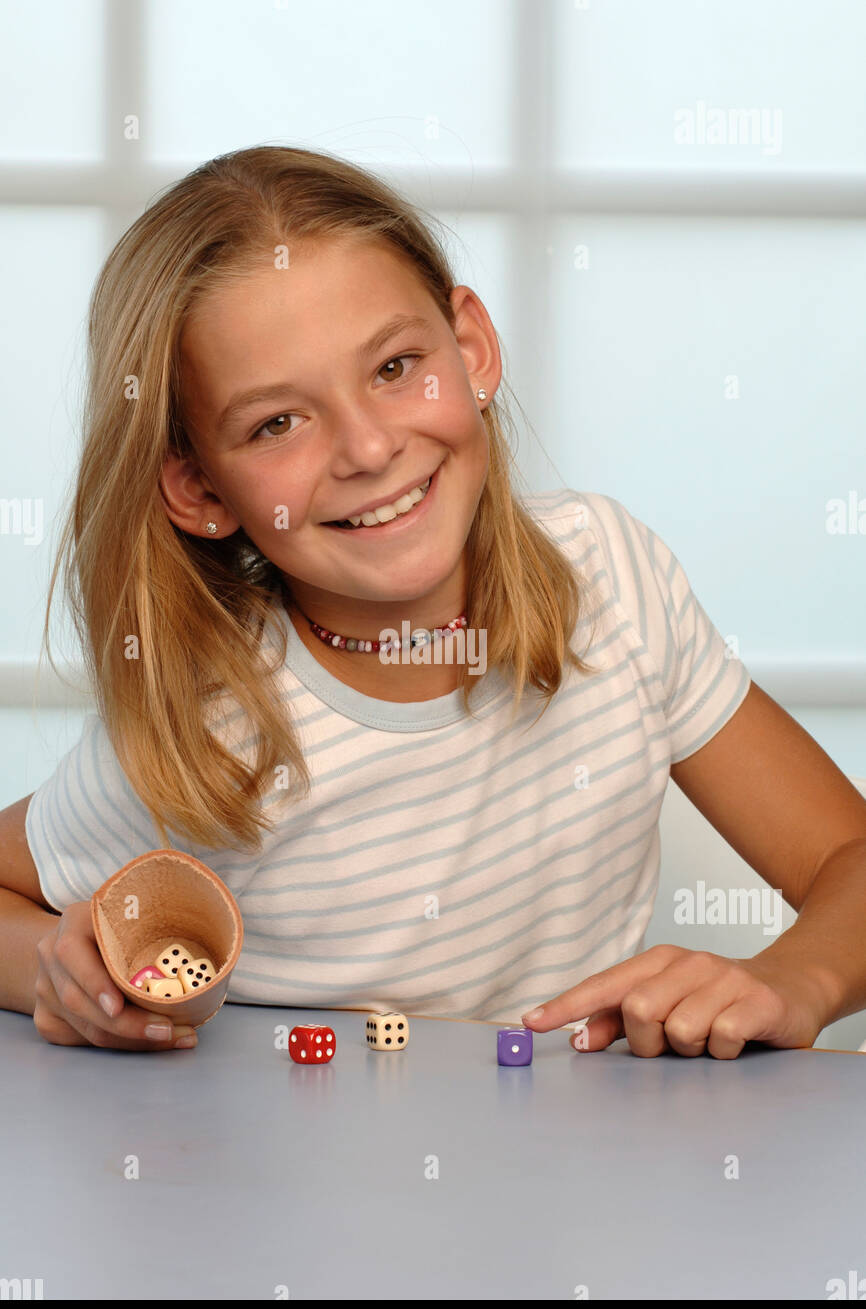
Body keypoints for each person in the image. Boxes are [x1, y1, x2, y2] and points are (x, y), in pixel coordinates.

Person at [3, 145, 866, 1058]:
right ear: (200, 489)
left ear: (471, 350)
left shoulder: (613, 578)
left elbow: (845, 858)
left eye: (393, 366)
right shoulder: (210, 721)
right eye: (276, 423)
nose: (369, 448)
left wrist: (789, 981)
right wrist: (42, 969)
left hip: (586, 1180)